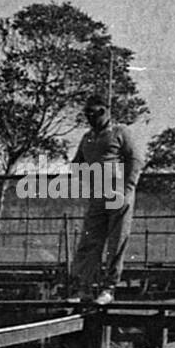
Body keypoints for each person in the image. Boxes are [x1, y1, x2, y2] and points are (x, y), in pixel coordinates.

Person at [69, 94, 145, 305]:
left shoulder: (121, 132)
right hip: (97, 194)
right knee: (90, 241)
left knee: (116, 241)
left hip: (118, 193)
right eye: (88, 114)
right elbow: (77, 163)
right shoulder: (88, 138)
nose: (92, 118)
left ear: (106, 111)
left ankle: (108, 288)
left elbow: (136, 159)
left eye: (96, 113)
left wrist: (128, 187)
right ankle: (83, 287)